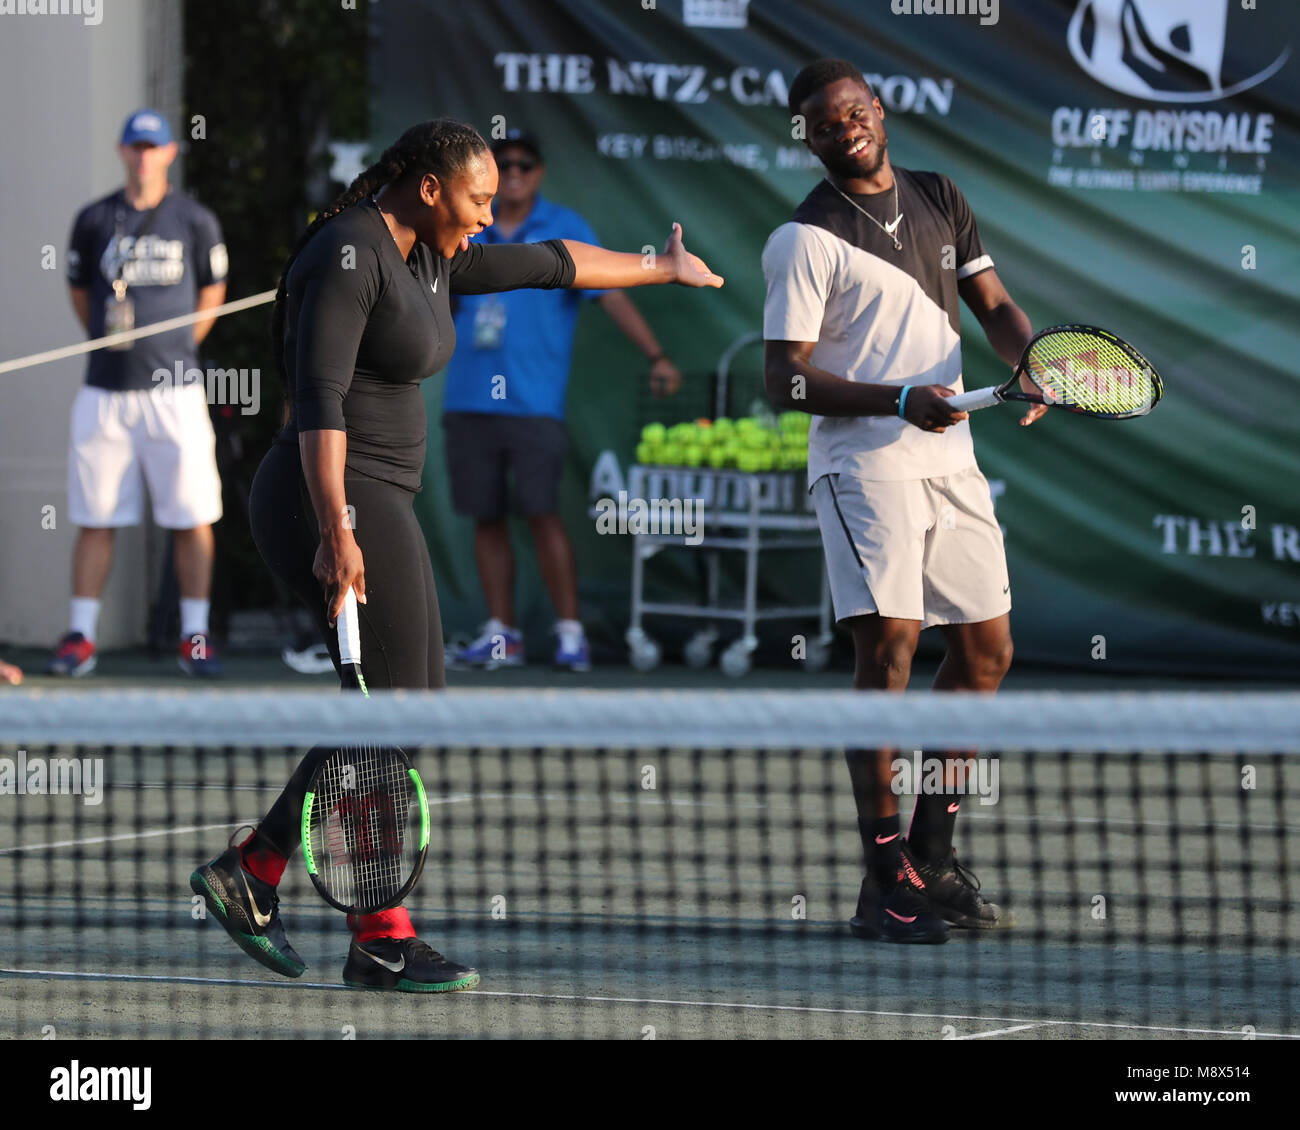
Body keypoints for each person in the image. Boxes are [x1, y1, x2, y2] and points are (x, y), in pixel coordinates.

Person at [190, 119, 722, 992]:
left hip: (372, 500)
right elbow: (319, 398)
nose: (489, 215)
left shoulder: (433, 255)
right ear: (430, 187)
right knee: (395, 712)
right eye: (478, 198)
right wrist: (336, 531)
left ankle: (340, 917)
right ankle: (284, 884)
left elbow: (553, 262)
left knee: (402, 713)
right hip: (331, 496)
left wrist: (659, 269)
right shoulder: (349, 253)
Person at [763, 61, 1044, 944]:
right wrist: (893, 400)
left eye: (853, 109)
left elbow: (992, 305)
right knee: (887, 651)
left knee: (987, 650)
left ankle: (934, 852)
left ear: (878, 112)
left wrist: (1030, 358)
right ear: (805, 137)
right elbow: (786, 381)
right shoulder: (803, 239)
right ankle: (883, 882)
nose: (843, 125)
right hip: (863, 467)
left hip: (951, 458)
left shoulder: (940, 195)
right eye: (822, 120)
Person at [443, 131, 683, 672]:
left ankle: (570, 633)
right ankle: (502, 635)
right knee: (486, 517)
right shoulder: (465, 229)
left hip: (534, 405)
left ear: (540, 171)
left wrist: (657, 355)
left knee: (542, 514)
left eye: (525, 162)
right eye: (503, 164)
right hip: (466, 398)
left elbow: (611, 293)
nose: (515, 170)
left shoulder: (566, 229)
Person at [50, 109, 228, 679]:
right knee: (94, 515)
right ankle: (81, 636)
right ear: (122, 151)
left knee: (191, 515)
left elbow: (213, 289)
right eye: (135, 146)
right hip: (105, 392)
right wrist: (111, 344)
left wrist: (179, 344)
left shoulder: (194, 219)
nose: (144, 155)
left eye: (153, 146)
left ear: (171, 152)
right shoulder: (94, 218)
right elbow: (81, 293)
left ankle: (194, 637)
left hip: (174, 391)